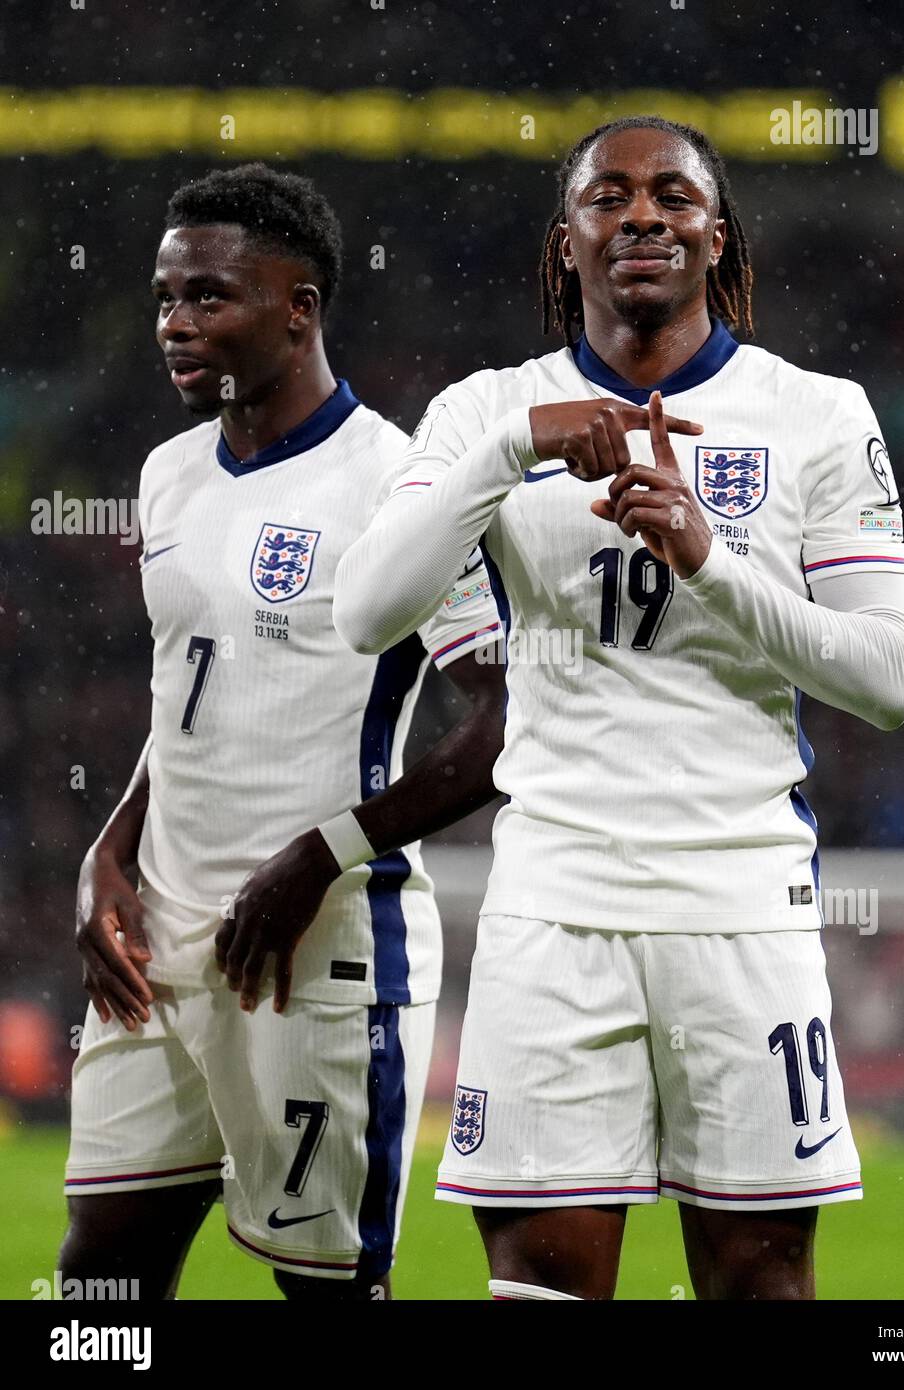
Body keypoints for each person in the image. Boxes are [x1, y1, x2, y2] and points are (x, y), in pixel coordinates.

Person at [332, 116, 904, 1301]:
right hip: (555, 907)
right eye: (609, 197)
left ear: (716, 236)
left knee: (761, 1279)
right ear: (568, 244)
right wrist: (513, 446)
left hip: (742, 902)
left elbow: (888, 679)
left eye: (672, 196)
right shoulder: (481, 410)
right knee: (545, 1283)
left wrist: (711, 560)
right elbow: (365, 608)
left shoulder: (816, 413)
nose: (642, 215)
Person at [60, 163, 505, 1300]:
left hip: (316, 962)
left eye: (209, 297)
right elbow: (191, 699)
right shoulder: (167, 478)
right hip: (156, 951)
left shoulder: (402, 486)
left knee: (322, 1291)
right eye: (165, 297)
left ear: (299, 307)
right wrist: (110, 847)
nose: (174, 324)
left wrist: (326, 851)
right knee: (98, 1284)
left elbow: (507, 726)